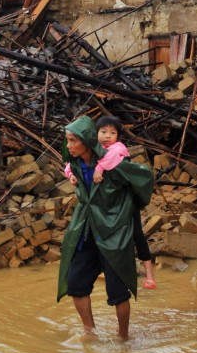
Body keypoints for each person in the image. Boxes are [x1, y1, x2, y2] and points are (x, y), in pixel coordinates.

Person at [57, 115, 154, 340]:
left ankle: (123, 337)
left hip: (114, 233)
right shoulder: (75, 165)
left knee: (119, 293)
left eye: (73, 141)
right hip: (87, 230)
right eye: (67, 141)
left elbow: (144, 179)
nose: (68, 145)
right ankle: (89, 332)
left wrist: (127, 209)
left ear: (87, 140)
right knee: (76, 284)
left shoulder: (115, 163)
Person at [64, 115, 157, 289]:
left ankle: (149, 275)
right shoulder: (88, 153)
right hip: (102, 208)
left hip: (124, 205)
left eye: (112, 133)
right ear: (94, 134)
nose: (107, 136)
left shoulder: (118, 149)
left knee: (137, 234)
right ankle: (106, 269)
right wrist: (70, 175)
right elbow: (70, 165)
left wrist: (99, 168)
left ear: (117, 137)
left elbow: (113, 160)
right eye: (103, 132)